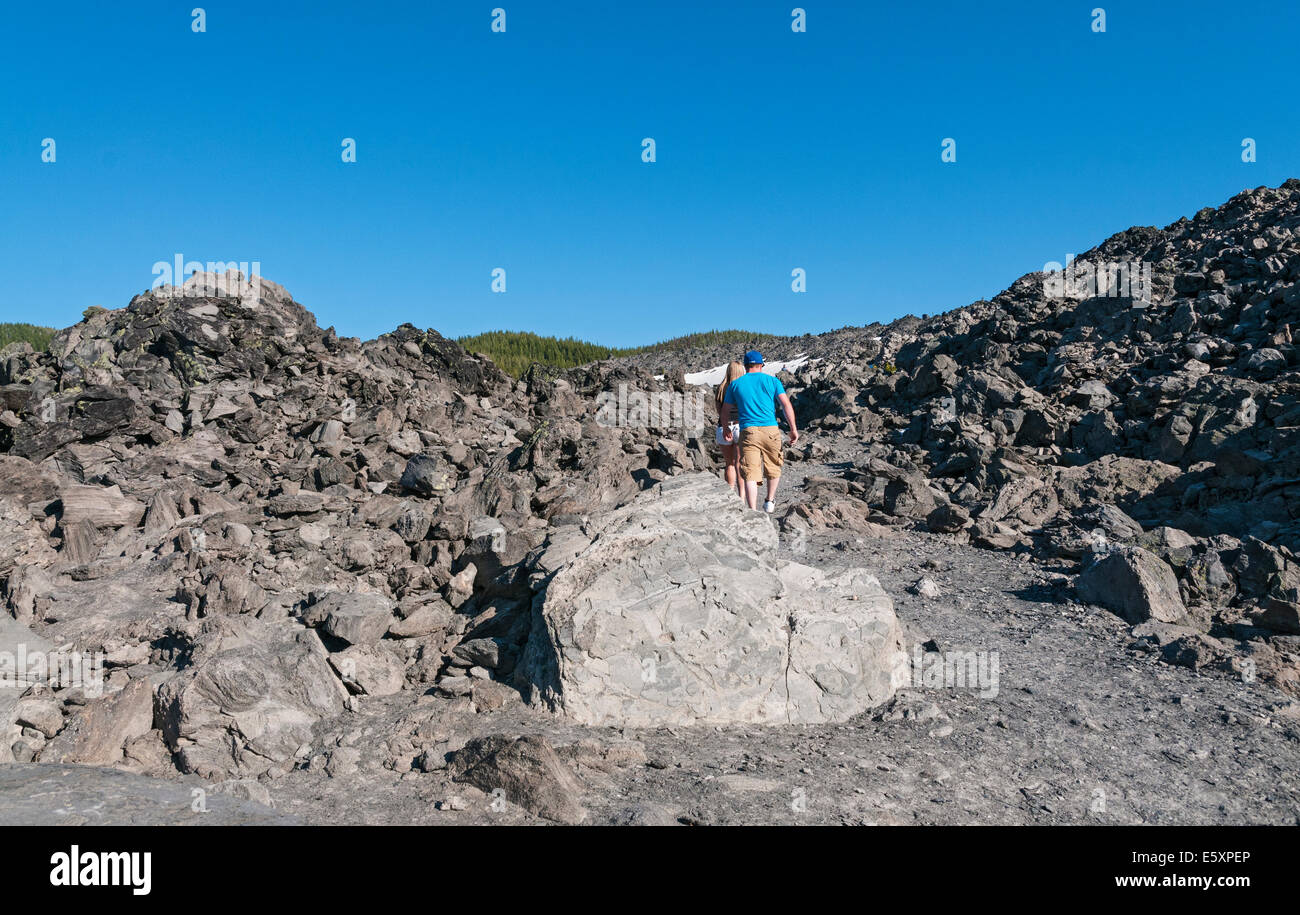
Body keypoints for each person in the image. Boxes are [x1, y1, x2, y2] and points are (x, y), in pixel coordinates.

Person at [723, 350, 799, 512]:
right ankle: (769, 501)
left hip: (748, 431)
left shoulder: (735, 385)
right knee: (774, 466)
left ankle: (753, 510)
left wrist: (725, 428)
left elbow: (725, 410)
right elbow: (785, 405)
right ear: (761, 365)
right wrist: (793, 428)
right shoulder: (773, 381)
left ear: (745, 366)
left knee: (750, 471)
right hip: (770, 429)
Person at [714, 360, 745, 498]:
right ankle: (743, 498)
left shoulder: (720, 388)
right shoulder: (743, 387)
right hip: (739, 426)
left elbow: (719, 412)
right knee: (740, 464)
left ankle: (731, 496)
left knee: (729, 464)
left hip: (723, 427)